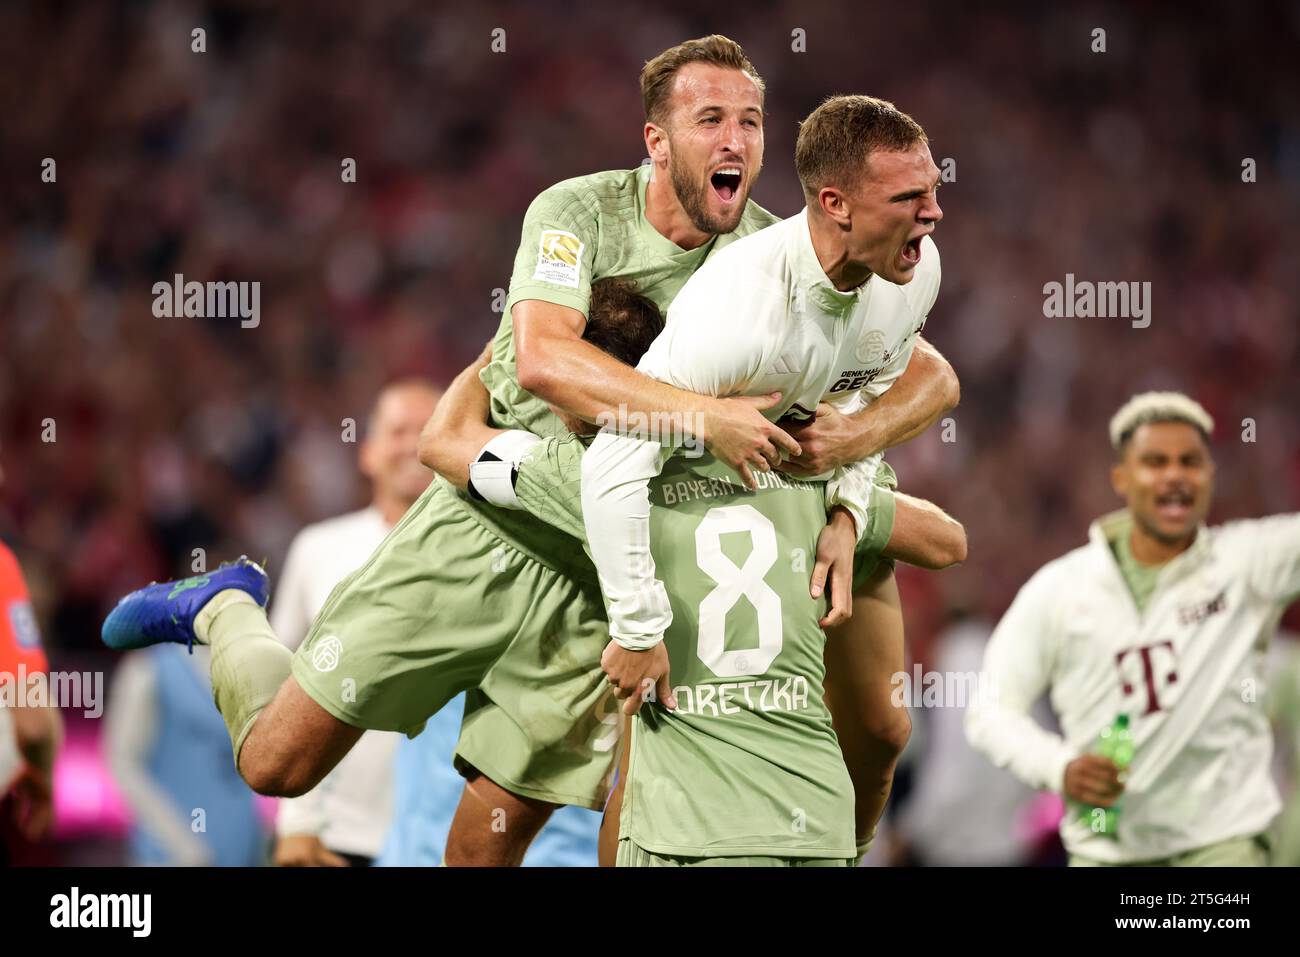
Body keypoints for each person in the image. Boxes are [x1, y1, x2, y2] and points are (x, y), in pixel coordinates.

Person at [100, 36, 957, 867]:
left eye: (752, 120)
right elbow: (545, 361)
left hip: (607, 563)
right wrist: (705, 419)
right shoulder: (577, 211)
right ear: (657, 141)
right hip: (488, 519)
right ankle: (223, 608)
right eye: (710, 120)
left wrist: (851, 450)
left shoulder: (776, 258)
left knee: (504, 835)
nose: (736, 140)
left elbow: (915, 371)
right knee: (277, 763)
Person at [428, 275, 964, 864]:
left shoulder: (585, 475)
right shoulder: (794, 455)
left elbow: (445, 441)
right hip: (810, 818)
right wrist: (850, 517)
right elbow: (946, 541)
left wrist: (507, 349)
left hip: (683, 828)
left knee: (632, 750)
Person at [967, 392, 1296, 866]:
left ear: (1209, 477)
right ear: (1121, 479)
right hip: (1107, 849)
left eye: (1190, 462)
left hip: (1222, 845)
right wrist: (1059, 767)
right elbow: (990, 709)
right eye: (1155, 462)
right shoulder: (1060, 589)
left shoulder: (1247, 561)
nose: (1175, 476)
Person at [270, 380, 436, 867]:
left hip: (445, 831)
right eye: (398, 430)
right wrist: (295, 820)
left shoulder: (490, 555)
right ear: (368, 453)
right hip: (333, 833)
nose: (412, 443)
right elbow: (281, 687)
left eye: (426, 429)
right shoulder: (318, 549)